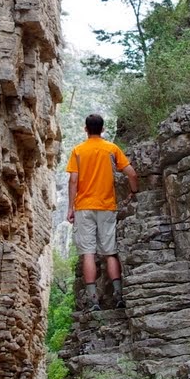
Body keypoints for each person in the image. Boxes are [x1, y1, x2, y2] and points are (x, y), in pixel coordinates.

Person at [65, 113, 139, 310]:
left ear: (85, 129)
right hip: (107, 207)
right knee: (110, 252)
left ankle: (93, 300)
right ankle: (118, 295)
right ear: (103, 129)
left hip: (84, 207)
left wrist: (70, 207)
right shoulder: (111, 149)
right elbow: (131, 173)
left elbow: (73, 180)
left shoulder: (78, 151)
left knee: (88, 253)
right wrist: (133, 191)